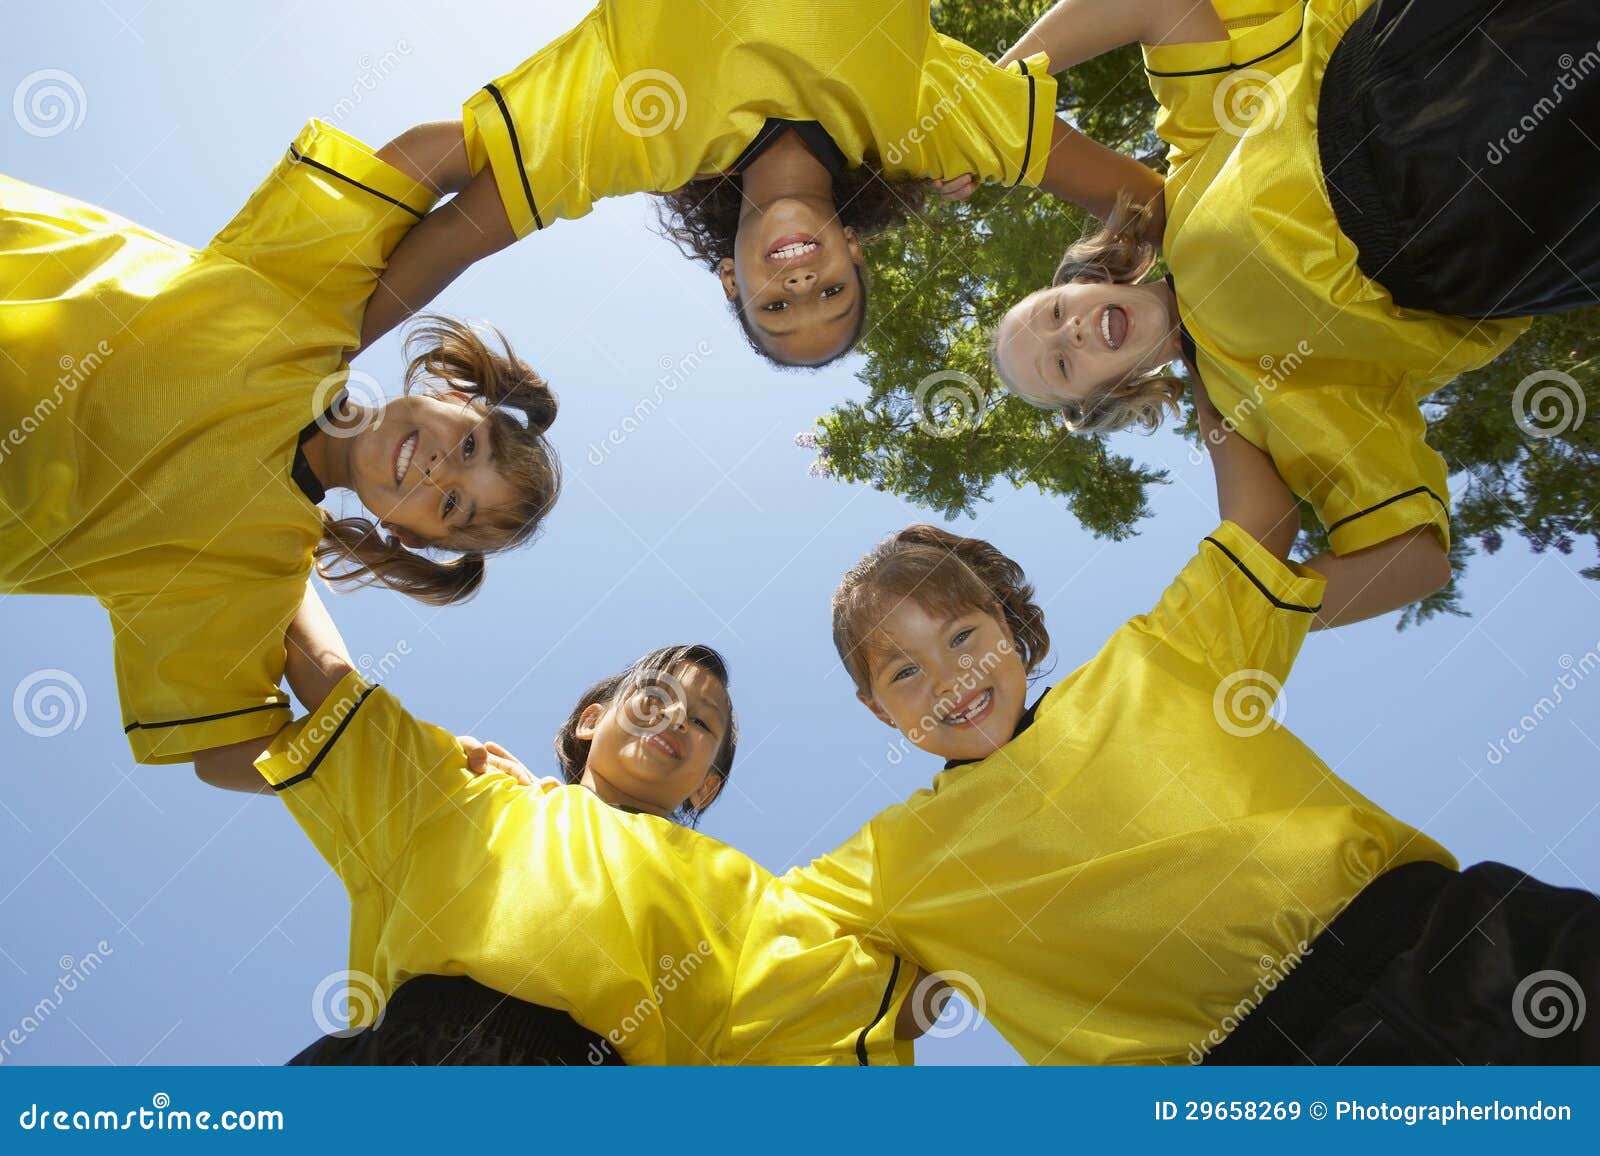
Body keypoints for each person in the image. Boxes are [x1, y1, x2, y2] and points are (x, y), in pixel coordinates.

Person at [781, 379, 1600, 1063]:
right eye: (903, 671)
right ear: (878, 711)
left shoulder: (1155, 655)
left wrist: (1204, 350)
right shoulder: (894, 862)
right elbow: (741, 934)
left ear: (1006, 625)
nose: (950, 677)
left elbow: (1260, 526)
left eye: (962, 635)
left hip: (1445, 940)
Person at [988, 0, 1599, 627]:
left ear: (1087, 282)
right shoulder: (1251, 404)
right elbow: (1413, 560)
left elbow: (1161, 6)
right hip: (1489, 233)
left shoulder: (1190, 176)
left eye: (1057, 310)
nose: (1073, 330)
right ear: (1103, 394)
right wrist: (1252, 626)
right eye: (1062, 362)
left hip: (1414, 67)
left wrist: (989, 88)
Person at [1, 120, 559, 767]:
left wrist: (411, 773)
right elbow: (429, 161)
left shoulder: (259, 567)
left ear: (408, 536)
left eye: (452, 507)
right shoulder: (309, 309)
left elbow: (229, 752)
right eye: (467, 448)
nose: (437, 473)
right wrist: (565, 137)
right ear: (455, 400)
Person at [199, 589, 936, 1065]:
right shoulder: (472, 798)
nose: (674, 716)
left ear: (706, 784)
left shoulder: (743, 893)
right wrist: (274, 508)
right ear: (592, 721)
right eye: (653, 695)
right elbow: (328, 684)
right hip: (391, 1050)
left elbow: (881, 1004)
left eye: (703, 722)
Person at [355, 0, 1164, 368]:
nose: (801, 282)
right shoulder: (927, 124)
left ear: (731, 278)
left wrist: (319, 353)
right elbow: (1148, 203)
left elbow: (454, 205)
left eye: (776, 304)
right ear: (851, 249)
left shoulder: (642, 133)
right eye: (831, 293)